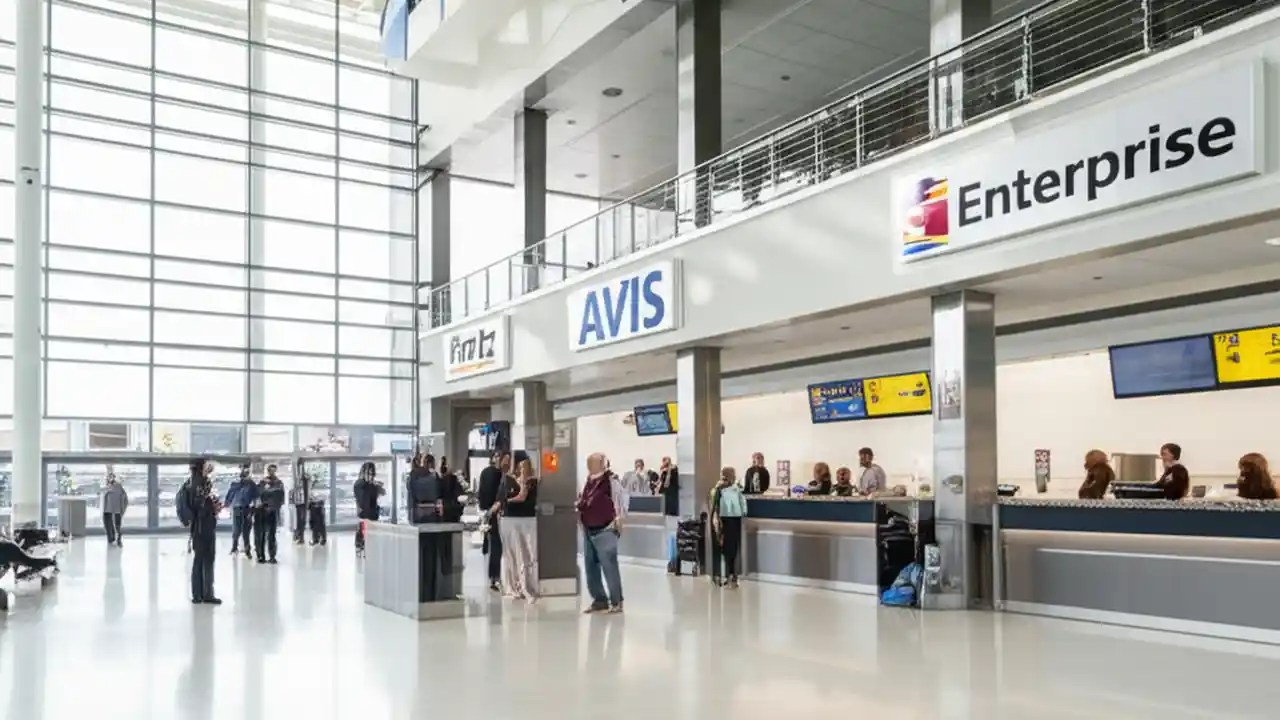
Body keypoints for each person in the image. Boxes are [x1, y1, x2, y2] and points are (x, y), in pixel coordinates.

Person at [576, 452, 628, 614]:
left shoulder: (610, 481)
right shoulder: (588, 482)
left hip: (606, 528)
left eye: (593, 462)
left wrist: (619, 520)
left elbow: (621, 501)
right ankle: (599, 600)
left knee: (609, 566)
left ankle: (616, 601)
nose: (589, 465)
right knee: (591, 567)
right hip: (588, 528)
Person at [496, 458, 540, 601]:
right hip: (510, 520)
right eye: (521, 467)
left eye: (525, 467)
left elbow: (522, 497)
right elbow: (500, 499)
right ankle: (513, 586)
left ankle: (527, 586)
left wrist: (508, 501)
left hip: (526, 520)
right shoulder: (508, 481)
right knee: (511, 554)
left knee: (526, 554)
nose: (523, 470)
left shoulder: (532, 483)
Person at [186, 458, 222, 605]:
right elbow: (201, 504)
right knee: (206, 559)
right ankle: (206, 594)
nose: (210, 468)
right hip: (203, 527)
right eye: (207, 466)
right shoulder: (200, 484)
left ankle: (198, 594)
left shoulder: (191, 483)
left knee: (199, 560)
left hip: (198, 527)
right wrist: (212, 507)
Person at [476, 452, 509, 591]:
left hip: (490, 513)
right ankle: (499, 577)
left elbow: (481, 493)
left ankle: (494, 577)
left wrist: (485, 510)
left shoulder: (486, 473)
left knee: (494, 546)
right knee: (498, 546)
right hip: (501, 513)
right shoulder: (503, 476)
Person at [710, 467, 747, 588]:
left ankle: (730, 575)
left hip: (729, 520)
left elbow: (742, 504)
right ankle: (727, 575)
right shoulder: (721, 489)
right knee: (727, 548)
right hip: (726, 520)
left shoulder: (733, 489)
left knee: (729, 548)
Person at [224, 465, 258, 558]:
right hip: (237, 508)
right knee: (236, 530)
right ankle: (234, 548)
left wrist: (253, 509)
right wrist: (227, 503)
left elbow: (255, 497)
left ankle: (247, 550)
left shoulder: (251, 484)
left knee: (246, 530)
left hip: (246, 508)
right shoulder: (235, 484)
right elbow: (230, 495)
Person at [254, 464, 286, 564]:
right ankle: (260, 555)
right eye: (270, 470)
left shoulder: (279, 483)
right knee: (260, 535)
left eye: (273, 470)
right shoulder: (262, 482)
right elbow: (259, 494)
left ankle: (272, 556)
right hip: (261, 511)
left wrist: (275, 506)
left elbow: (281, 498)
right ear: (267, 471)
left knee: (272, 535)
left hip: (272, 511)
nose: (272, 472)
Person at [353, 461, 385, 556]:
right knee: (363, 532)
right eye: (370, 473)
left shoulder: (371, 485)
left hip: (372, 515)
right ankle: (361, 546)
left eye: (373, 474)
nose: (372, 476)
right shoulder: (360, 484)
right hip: (364, 515)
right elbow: (363, 500)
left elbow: (380, 493)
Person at [658, 456, 681, 573]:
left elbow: (662, 488)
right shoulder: (675, 473)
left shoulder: (670, 473)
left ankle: (673, 561)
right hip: (675, 508)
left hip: (671, 509)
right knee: (674, 536)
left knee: (671, 537)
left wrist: (666, 473)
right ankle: (674, 561)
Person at [101, 468, 128, 547]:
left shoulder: (118, 486)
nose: (109, 479)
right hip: (108, 510)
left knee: (117, 525)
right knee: (109, 524)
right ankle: (111, 538)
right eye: (108, 477)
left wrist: (123, 508)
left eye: (111, 477)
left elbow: (125, 498)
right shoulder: (107, 487)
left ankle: (118, 539)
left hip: (117, 510)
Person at [306, 471, 327, 547]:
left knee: (320, 524)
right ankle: (316, 539)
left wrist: (316, 500)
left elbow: (323, 496)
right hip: (314, 506)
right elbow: (310, 496)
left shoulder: (320, 485)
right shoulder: (312, 485)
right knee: (315, 524)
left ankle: (322, 539)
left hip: (318, 507)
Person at [289, 468, 309, 546]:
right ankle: (298, 536)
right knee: (298, 522)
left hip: (302, 505)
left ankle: (301, 537)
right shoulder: (294, 489)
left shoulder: (305, 486)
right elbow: (291, 496)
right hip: (297, 505)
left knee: (301, 521)